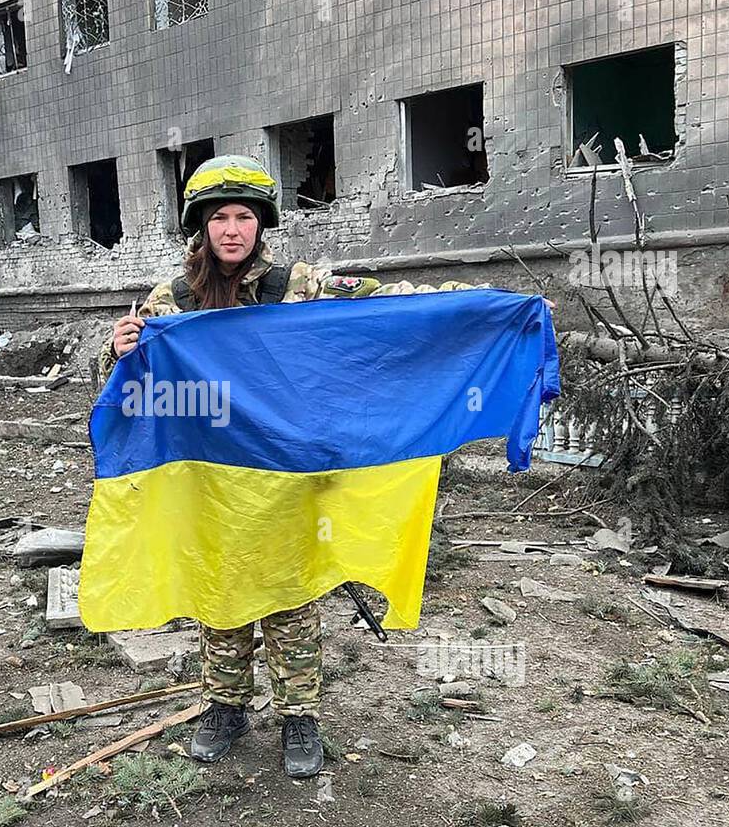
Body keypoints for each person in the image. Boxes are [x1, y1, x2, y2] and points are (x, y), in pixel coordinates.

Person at [98, 155, 476, 778]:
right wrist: (117, 350)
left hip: (288, 469)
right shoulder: (173, 301)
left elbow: (382, 312)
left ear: (261, 223)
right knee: (219, 593)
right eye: (219, 217)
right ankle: (225, 706)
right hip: (211, 474)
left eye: (244, 216)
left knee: (292, 594)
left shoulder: (297, 286)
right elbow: (124, 387)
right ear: (201, 225)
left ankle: (300, 717)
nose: (232, 229)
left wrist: (465, 311)